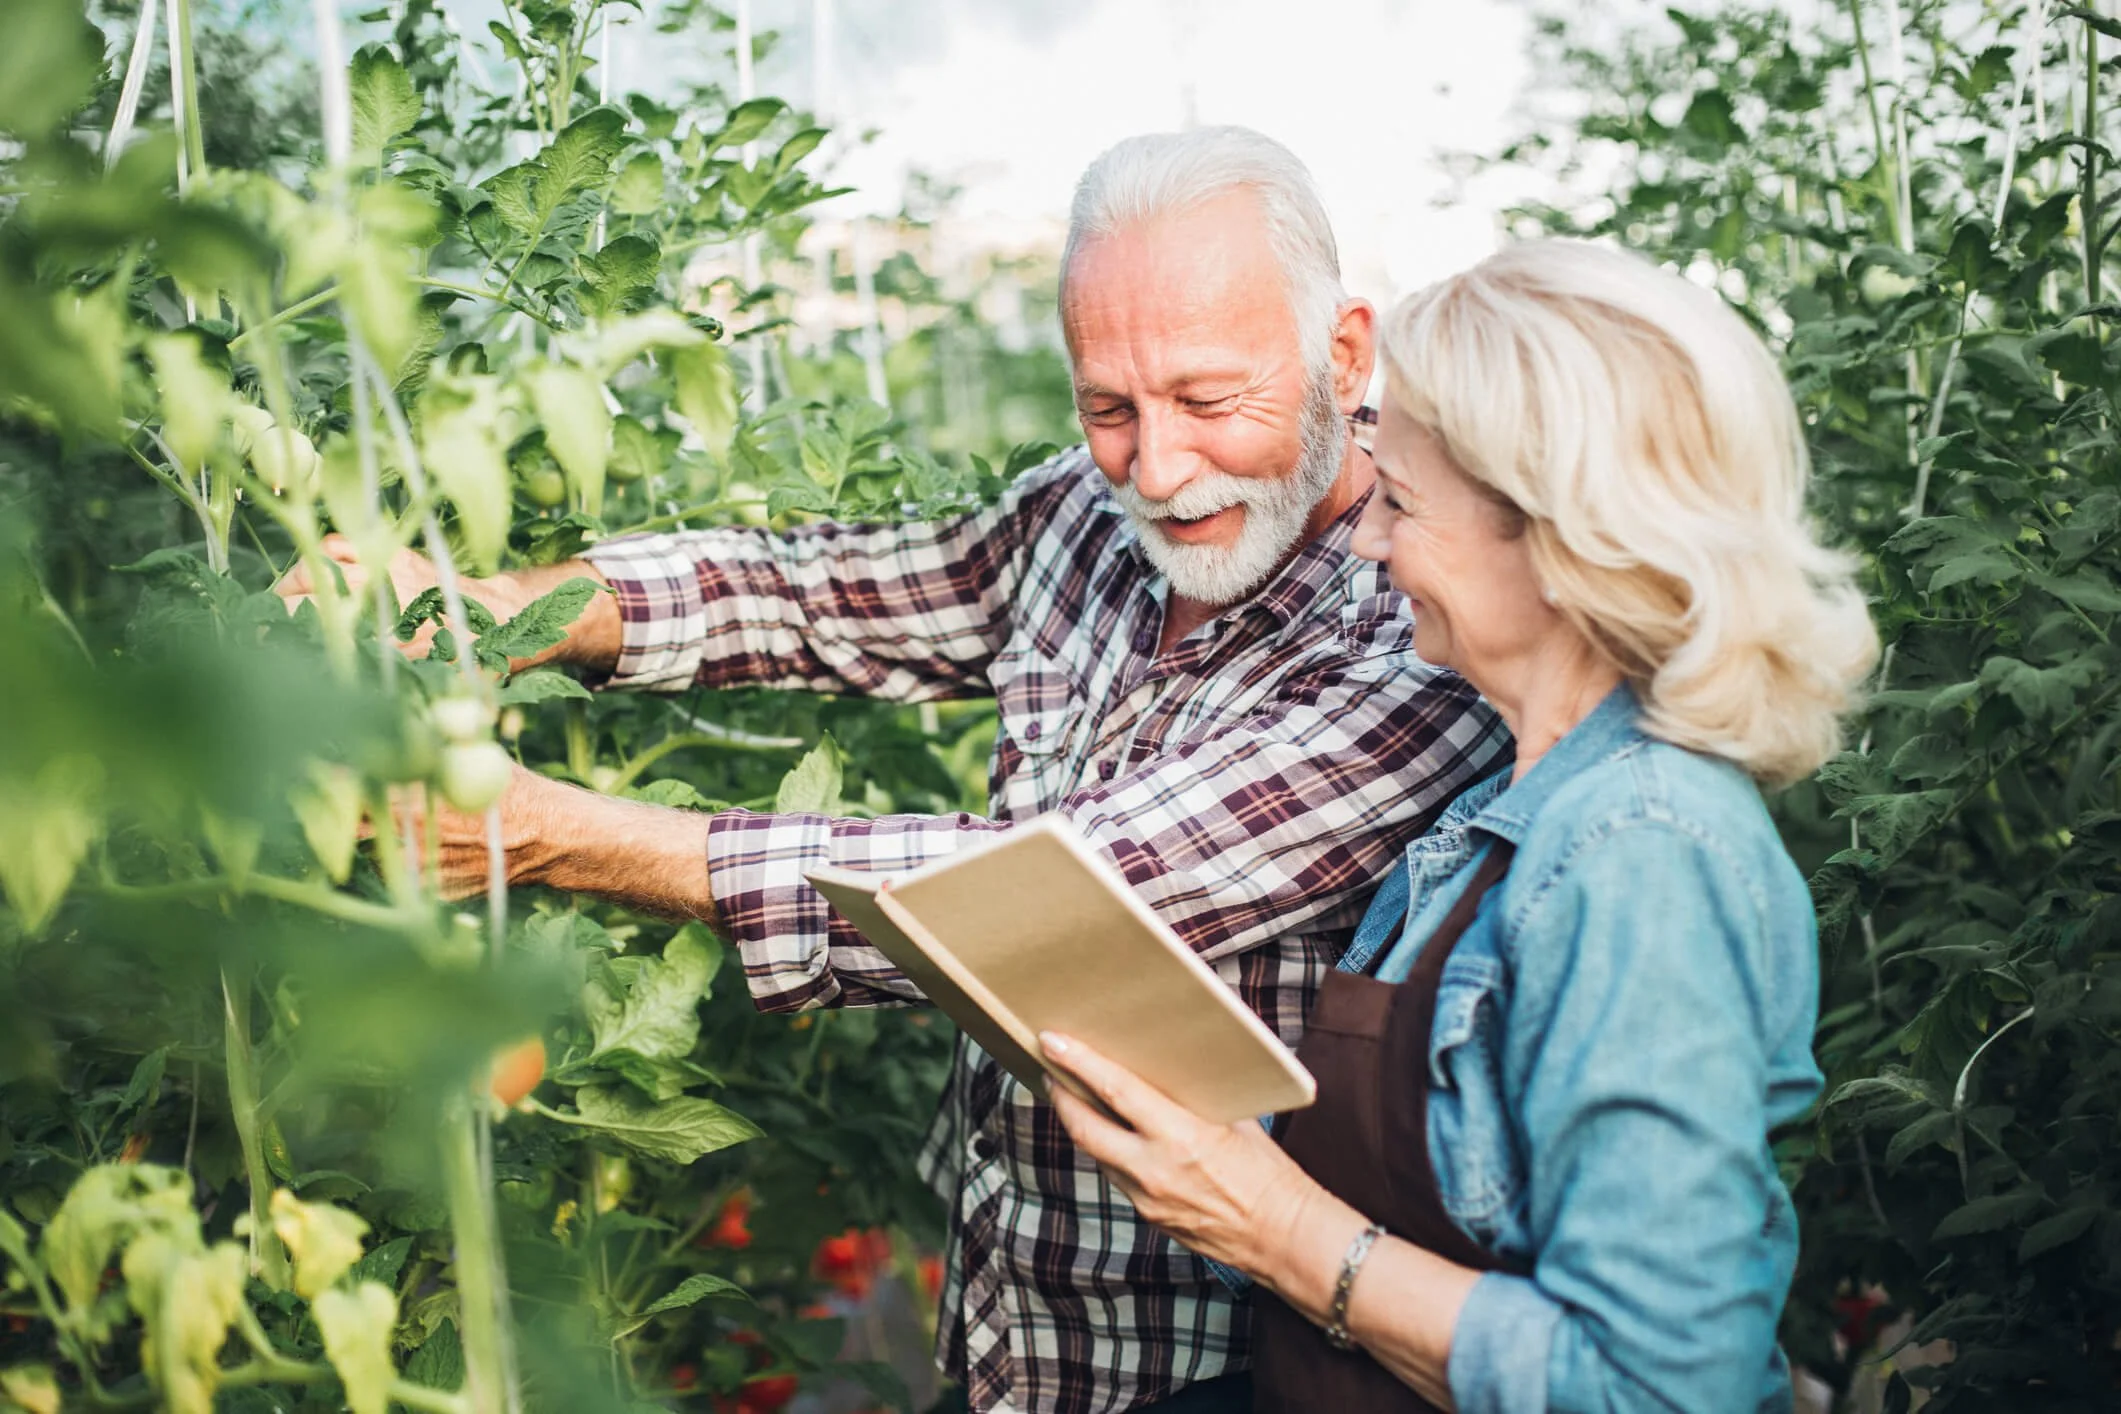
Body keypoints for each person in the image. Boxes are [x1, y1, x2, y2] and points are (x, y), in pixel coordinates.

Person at [279, 127, 1507, 1413]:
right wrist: (492, 610)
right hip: (1006, 1326)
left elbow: (1060, 894)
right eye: (1107, 408)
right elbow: (818, 594)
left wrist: (553, 836)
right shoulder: (1083, 520)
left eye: (1209, 401)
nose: (1157, 468)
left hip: (1215, 1364)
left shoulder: (1416, 631)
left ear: (1345, 353)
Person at [1039, 239, 1880, 1413]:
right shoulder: (1508, 808)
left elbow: (1656, 1384)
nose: (1371, 543)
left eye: (1402, 501)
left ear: (1562, 542)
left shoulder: (1642, 856)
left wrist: (1273, 1224)